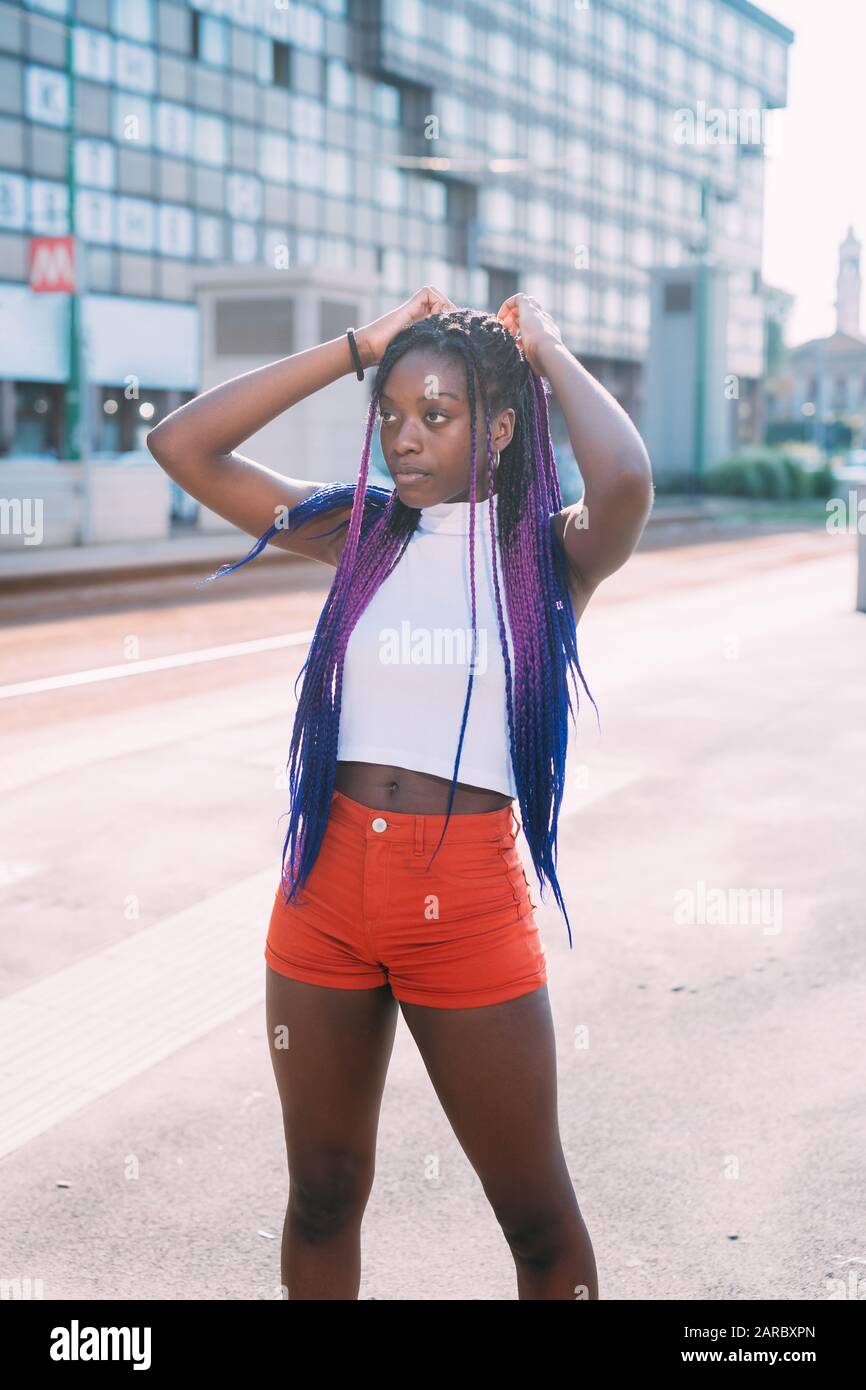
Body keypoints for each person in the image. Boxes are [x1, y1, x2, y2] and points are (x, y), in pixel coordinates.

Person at [146, 287, 653, 1300]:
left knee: (535, 1218)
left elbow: (625, 475)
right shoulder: (357, 532)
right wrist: (353, 348)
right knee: (322, 1194)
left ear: (498, 430)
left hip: (463, 902)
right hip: (322, 891)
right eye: (390, 414)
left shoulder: (548, 555)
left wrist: (544, 347)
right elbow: (182, 447)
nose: (403, 439)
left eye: (436, 415)